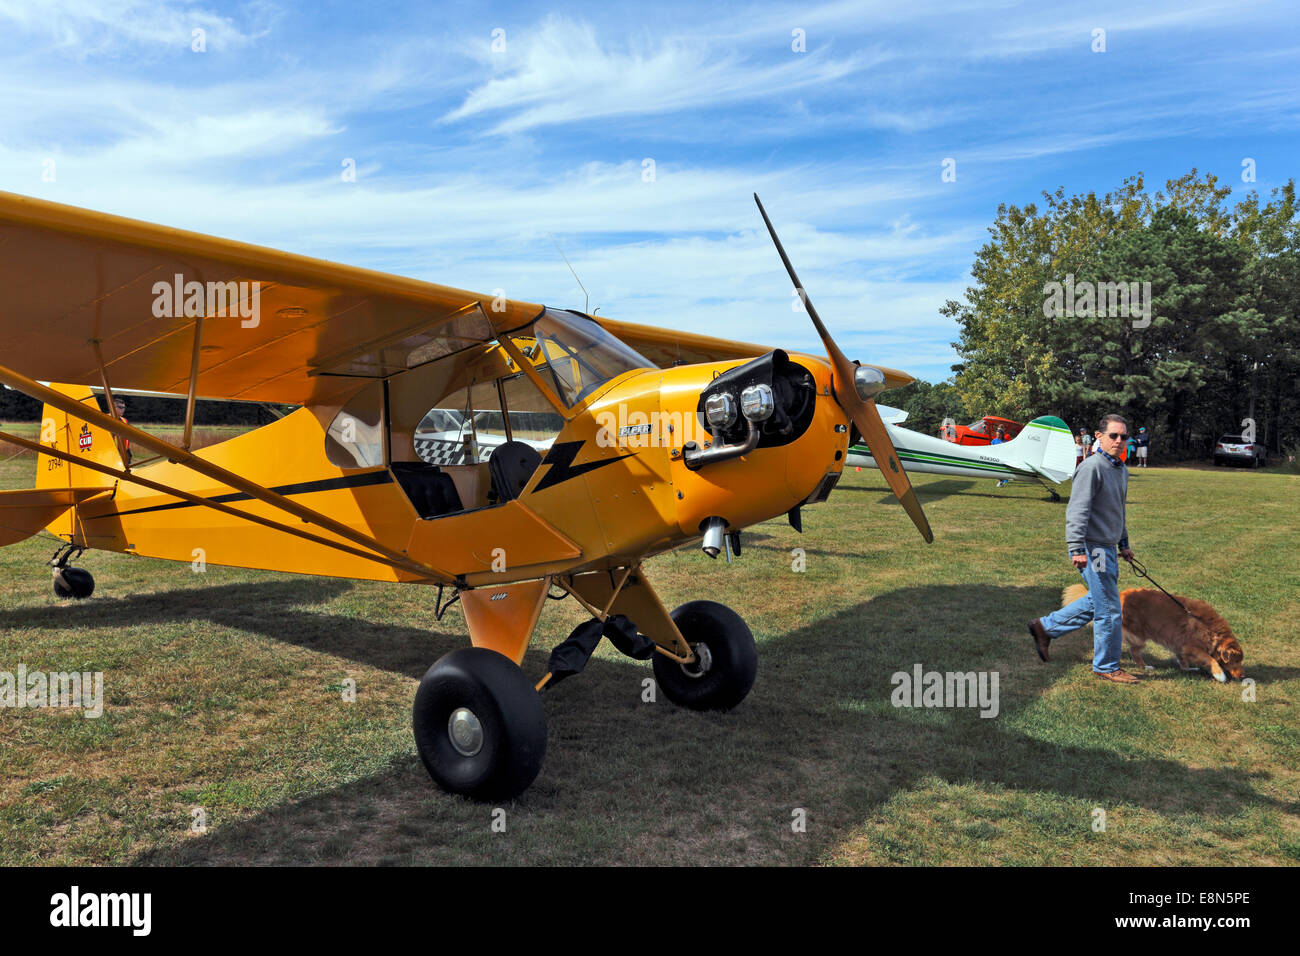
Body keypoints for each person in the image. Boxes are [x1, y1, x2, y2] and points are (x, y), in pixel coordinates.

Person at [1027, 413, 1139, 683]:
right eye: (1113, 435)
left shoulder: (1120, 469)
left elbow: (1117, 511)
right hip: (1093, 549)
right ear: (1098, 437)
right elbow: (1078, 510)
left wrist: (1123, 544)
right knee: (1110, 608)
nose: (1119, 441)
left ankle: (1045, 627)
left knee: (1098, 600)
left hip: (1109, 548)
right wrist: (1076, 547)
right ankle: (1106, 665)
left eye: (1123, 436)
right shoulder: (1091, 468)